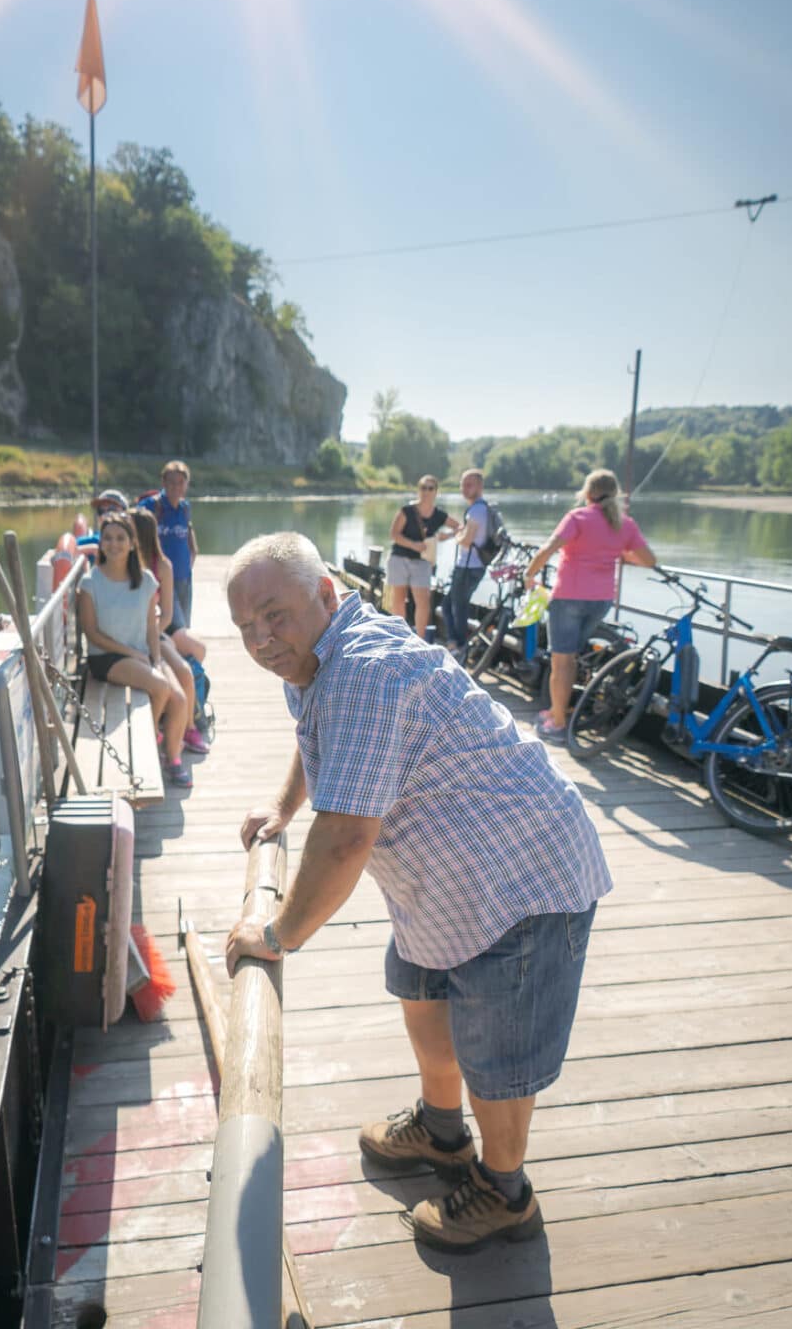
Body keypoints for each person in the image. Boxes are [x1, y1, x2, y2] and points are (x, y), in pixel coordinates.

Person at [223, 532, 611, 1252]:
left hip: (520, 878)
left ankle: (505, 1193)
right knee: (423, 998)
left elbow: (347, 839)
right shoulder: (312, 657)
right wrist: (282, 806)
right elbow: (318, 736)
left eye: (273, 615)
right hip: (444, 886)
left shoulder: (364, 671)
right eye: (245, 627)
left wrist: (277, 935)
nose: (261, 640)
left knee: (496, 1057)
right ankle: (440, 1132)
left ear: (326, 593)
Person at [523, 469, 656, 743]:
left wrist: (529, 574)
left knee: (562, 661)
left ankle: (558, 723)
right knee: (572, 655)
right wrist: (617, 553)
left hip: (569, 597)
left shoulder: (578, 518)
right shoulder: (625, 524)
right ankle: (560, 709)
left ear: (587, 493)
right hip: (601, 600)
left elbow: (548, 549)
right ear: (615, 493)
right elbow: (649, 560)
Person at [77, 510, 193, 789]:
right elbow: (91, 634)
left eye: (120, 538)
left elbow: (151, 627)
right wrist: (134, 655)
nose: (113, 544)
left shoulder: (146, 580)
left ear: (132, 543)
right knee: (160, 687)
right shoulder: (91, 583)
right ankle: (147, 747)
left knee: (179, 699)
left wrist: (156, 659)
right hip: (107, 658)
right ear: (101, 544)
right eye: (107, 538)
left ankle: (173, 759)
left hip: (141, 654)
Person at [131, 506, 209, 754]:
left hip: (155, 631)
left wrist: (152, 635)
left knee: (184, 671)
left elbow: (165, 614)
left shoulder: (162, 565)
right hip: (130, 636)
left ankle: (190, 728)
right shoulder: (123, 564)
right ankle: (159, 732)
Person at [387, 475, 460, 638]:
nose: (426, 491)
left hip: (422, 561)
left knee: (423, 602)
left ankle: (419, 639)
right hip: (400, 558)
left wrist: (446, 536)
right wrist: (413, 545)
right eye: (423, 488)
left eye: (430, 488)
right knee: (399, 599)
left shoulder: (439, 515)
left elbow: (460, 527)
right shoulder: (407, 511)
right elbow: (394, 534)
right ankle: (398, 636)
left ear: (436, 491)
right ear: (418, 490)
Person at [140, 461, 198, 627]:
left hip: (184, 576)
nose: (176, 487)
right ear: (163, 483)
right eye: (171, 482)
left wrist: (193, 555)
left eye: (181, 482)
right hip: (161, 577)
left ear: (186, 484)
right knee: (174, 624)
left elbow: (188, 533)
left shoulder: (185, 507)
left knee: (183, 625)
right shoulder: (151, 506)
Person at [440, 468, 489, 655]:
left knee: (455, 607)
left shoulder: (476, 510)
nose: (464, 489)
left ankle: (459, 646)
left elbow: (467, 540)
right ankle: (455, 643)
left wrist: (458, 536)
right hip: (476, 565)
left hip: (468, 566)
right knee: (452, 604)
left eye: (469, 485)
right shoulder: (484, 508)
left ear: (480, 486)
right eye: (463, 485)